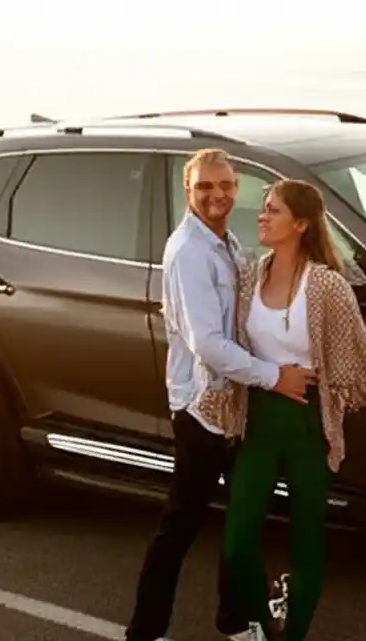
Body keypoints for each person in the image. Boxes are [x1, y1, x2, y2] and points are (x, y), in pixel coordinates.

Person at [125, 149, 316, 641]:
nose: (218, 195)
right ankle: (143, 634)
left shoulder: (226, 242)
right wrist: (276, 376)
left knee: (243, 522)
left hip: (235, 406)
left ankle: (236, 623)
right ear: (188, 192)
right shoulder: (189, 252)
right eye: (206, 186)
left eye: (226, 185)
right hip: (201, 411)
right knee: (180, 528)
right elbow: (208, 344)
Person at [200, 179, 366, 640]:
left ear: (300, 224)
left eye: (273, 211)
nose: (261, 216)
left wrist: (327, 388)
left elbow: (361, 363)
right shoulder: (250, 276)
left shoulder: (326, 286)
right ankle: (265, 626)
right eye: (263, 208)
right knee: (238, 542)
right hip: (259, 420)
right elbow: (228, 342)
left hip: (308, 424)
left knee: (307, 543)